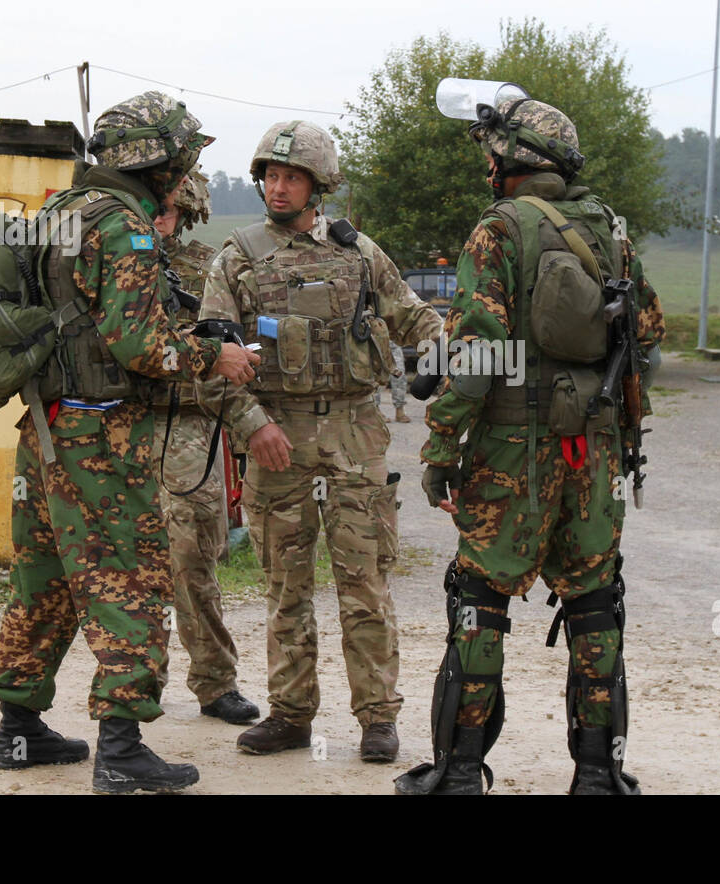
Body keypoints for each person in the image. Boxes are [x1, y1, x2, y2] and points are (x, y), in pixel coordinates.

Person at [0, 92, 259, 793]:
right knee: (128, 578)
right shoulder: (125, 225)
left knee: (43, 580)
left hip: (45, 422)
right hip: (100, 433)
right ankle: (122, 745)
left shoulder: (59, 212)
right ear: (160, 160)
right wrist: (211, 358)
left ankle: (19, 732)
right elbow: (139, 344)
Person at [395, 95, 664, 796]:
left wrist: (442, 443)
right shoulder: (609, 226)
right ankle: (600, 775)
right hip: (596, 446)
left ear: (512, 159)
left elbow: (480, 353)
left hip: (511, 453)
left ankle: (457, 774)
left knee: (479, 600)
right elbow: (649, 328)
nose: (486, 161)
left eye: (491, 151)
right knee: (595, 604)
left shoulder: (500, 230)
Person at [200, 119, 443, 764]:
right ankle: (290, 713)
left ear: (318, 184)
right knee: (286, 581)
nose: (277, 189)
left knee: (364, 578)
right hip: (277, 433)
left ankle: (378, 718)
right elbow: (208, 359)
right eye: (270, 177)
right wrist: (255, 426)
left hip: (355, 431)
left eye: (291, 177)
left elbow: (413, 314)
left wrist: (454, 349)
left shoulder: (359, 253)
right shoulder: (237, 258)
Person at [150, 170, 261, 725]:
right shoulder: (122, 263)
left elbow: (236, 346)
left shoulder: (208, 267)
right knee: (137, 563)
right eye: (154, 207)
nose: (158, 217)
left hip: (192, 428)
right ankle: (139, 684)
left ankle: (215, 683)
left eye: (168, 209)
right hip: (130, 426)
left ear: (186, 212)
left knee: (195, 561)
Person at [373, 340, 410, 422]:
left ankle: (400, 410)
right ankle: (376, 411)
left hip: (393, 343)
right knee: (376, 376)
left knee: (400, 375)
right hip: (375, 342)